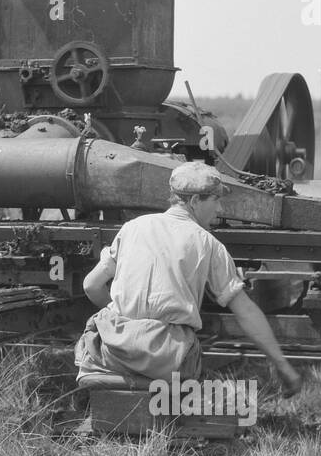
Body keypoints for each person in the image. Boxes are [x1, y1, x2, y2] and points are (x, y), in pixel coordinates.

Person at [76, 162, 303, 395]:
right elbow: (245, 311)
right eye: (215, 200)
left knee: (100, 323)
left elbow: (90, 285)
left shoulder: (132, 228)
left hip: (114, 353)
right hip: (168, 362)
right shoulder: (208, 244)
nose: (219, 209)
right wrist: (283, 366)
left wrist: (127, 319)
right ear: (195, 201)